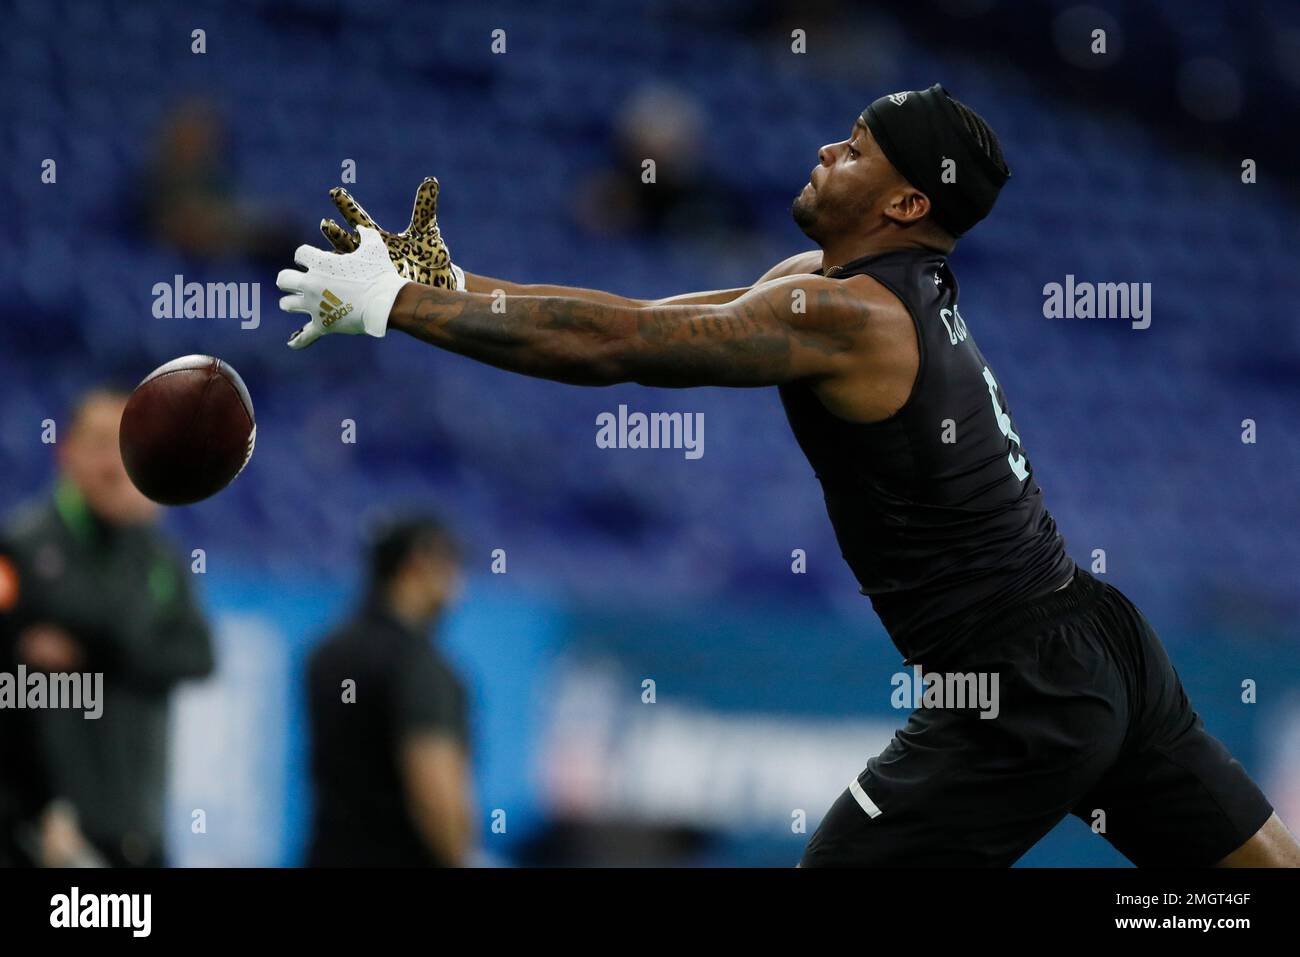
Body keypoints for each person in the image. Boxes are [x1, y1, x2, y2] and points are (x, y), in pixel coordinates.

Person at [276, 85, 1300, 867]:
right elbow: (644, 320)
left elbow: (614, 350)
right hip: (1094, 637)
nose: (824, 147)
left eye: (854, 148)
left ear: (902, 199)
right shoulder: (825, 288)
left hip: (1023, 677)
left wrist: (395, 308)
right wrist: (445, 282)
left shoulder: (847, 317)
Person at [1, 388, 214, 867]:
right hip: (45, 826)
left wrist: (90, 652)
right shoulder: (21, 546)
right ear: (65, 451)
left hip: (137, 816)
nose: (114, 463)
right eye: (99, 444)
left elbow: (198, 654)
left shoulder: (156, 554)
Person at [305, 515, 475, 867]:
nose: (458, 579)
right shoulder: (418, 663)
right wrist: (459, 856)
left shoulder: (327, 652)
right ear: (418, 563)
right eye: (450, 561)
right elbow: (433, 788)